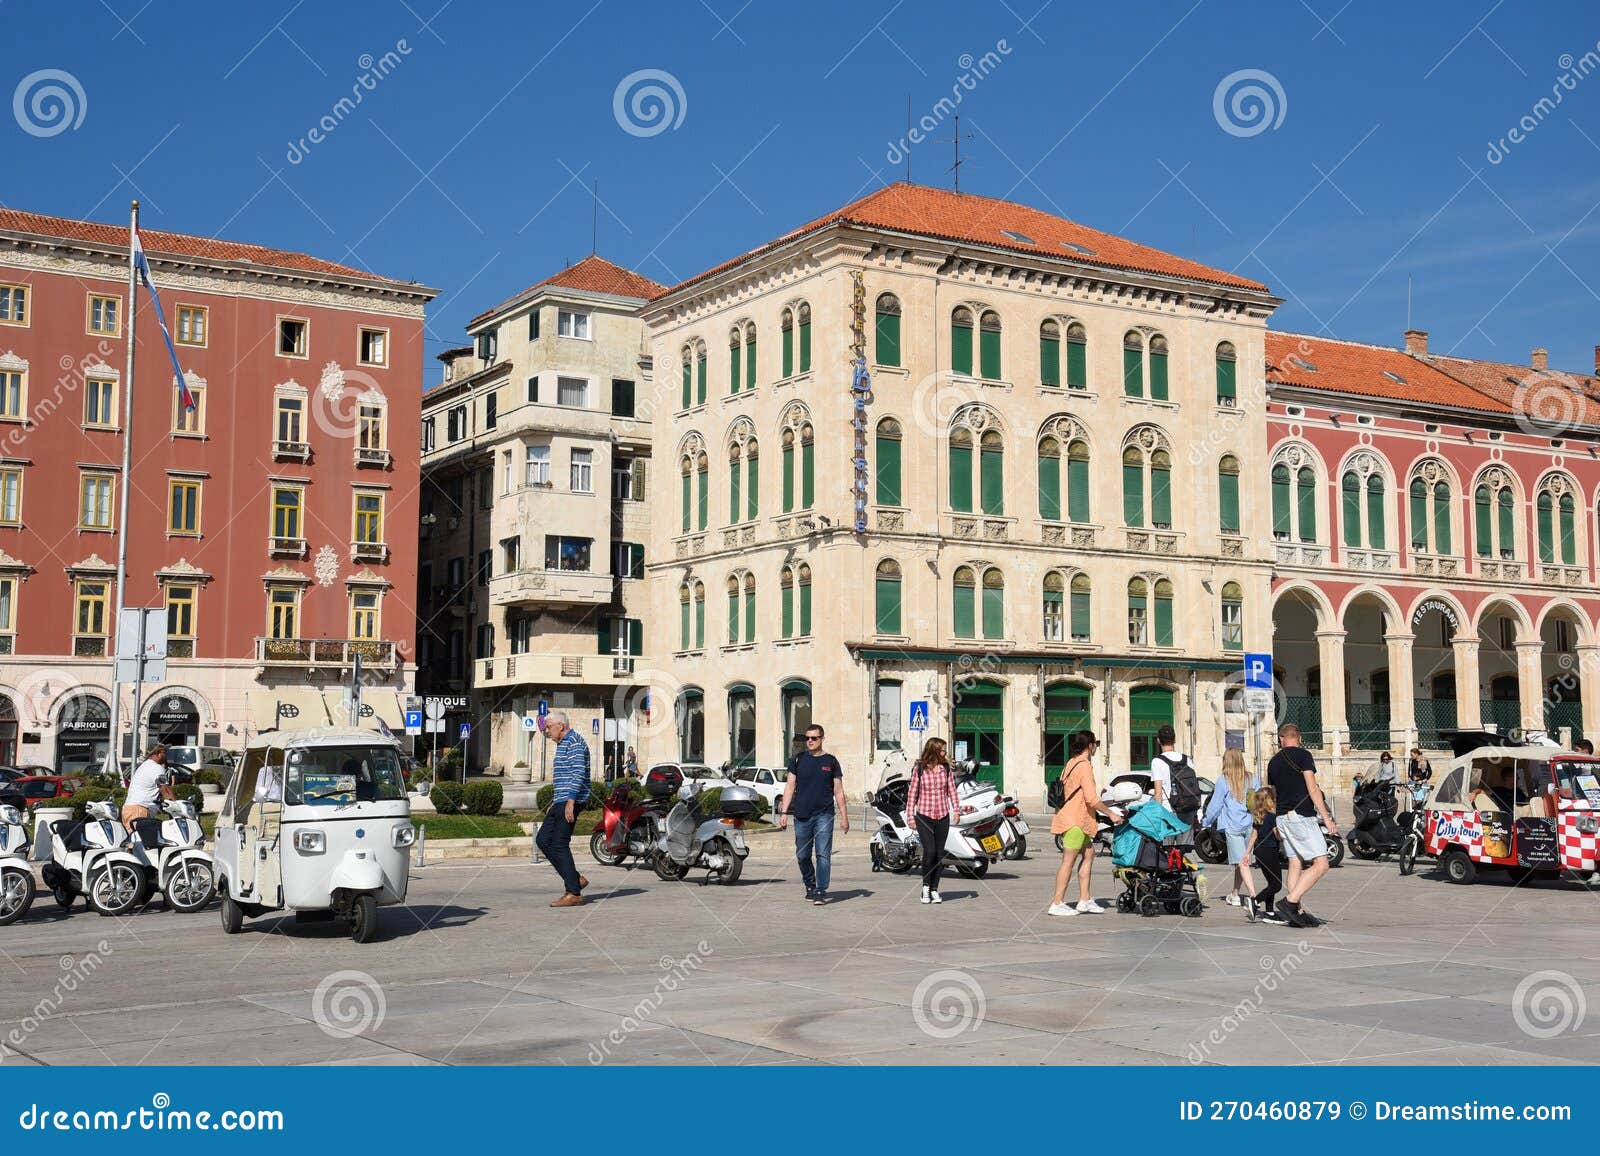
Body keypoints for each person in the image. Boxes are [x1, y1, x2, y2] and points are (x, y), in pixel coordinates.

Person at [1265, 723, 1338, 929]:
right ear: (1299, 737)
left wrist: (1274, 821)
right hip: (1301, 817)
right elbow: (1312, 788)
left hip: (1282, 817)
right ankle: (1290, 901)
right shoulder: (1303, 756)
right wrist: (1326, 817)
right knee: (1321, 864)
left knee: (1294, 862)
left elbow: (1272, 794)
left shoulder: (1273, 762)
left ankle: (1297, 912)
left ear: (1281, 738)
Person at [1047, 730, 1123, 917]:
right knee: (1068, 861)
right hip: (1075, 820)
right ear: (1089, 745)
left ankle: (1085, 900)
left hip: (1071, 817)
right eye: (1095, 743)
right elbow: (1091, 798)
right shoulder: (1084, 765)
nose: (1096, 746)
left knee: (1089, 854)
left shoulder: (1071, 763)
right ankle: (1057, 903)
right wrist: (1111, 813)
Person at [778, 723, 847, 905]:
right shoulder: (798, 760)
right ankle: (810, 883)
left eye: (814, 738)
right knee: (802, 855)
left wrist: (844, 817)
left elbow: (838, 791)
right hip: (801, 815)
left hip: (824, 814)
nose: (809, 741)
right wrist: (784, 812)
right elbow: (790, 787)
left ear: (822, 739)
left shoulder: (831, 761)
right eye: (807, 738)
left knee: (823, 854)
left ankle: (820, 890)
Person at [537, 711, 591, 908]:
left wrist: (570, 802)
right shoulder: (563, 743)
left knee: (559, 843)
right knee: (542, 840)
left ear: (561, 725)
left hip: (571, 800)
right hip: (561, 800)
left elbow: (578, 774)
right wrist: (556, 800)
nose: (548, 731)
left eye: (549, 727)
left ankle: (573, 892)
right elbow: (564, 776)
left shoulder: (574, 742)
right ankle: (575, 879)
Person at [903, 736, 961, 904]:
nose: (945, 752)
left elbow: (952, 791)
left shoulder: (946, 769)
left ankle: (935, 889)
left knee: (939, 854)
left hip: (942, 815)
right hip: (924, 816)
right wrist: (910, 816)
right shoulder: (920, 769)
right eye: (943, 749)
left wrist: (956, 811)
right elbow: (912, 793)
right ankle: (926, 888)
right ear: (934, 750)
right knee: (930, 852)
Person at [1202, 747, 1257, 907]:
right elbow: (1255, 803)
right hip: (1249, 824)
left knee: (1242, 862)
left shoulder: (1224, 780)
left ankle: (1253, 896)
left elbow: (1215, 805)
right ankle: (1235, 894)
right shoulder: (1252, 779)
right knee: (1242, 861)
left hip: (1232, 826)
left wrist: (1206, 821)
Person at [1245, 785, 1286, 924]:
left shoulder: (1259, 817)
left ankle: (1269, 912)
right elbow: (1278, 836)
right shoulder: (1273, 817)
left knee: (1271, 883)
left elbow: (1253, 835)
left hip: (1259, 852)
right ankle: (1255, 902)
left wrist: (1247, 853)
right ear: (1270, 800)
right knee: (1277, 885)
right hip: (1269, 851)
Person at [1149, 724, 1202, 834]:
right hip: (1188, 811)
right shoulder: (1187, 759)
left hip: (1167, 812)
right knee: (1183, 848)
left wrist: (1156, 816)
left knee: (1167, 849)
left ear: (1158, 741)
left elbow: (1158, 794)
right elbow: (1193, 787)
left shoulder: (1157, 762)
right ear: (1175, 739)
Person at [122, 744, 175, 829]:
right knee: (139, 840)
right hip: (139, 810)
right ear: (158, 754)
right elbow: (165, 789)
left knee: (137, 839)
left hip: (131, 809)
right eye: (165, 753)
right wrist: (177, 806)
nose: (166, 755)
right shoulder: (156, 768)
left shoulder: (144, 766)